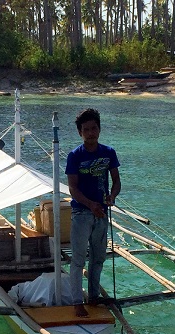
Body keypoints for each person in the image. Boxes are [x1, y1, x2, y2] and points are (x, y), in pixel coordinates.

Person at [65, 108, 121, 317]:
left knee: (98, 258)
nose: (91, 133)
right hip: (81, 213)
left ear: (99, 129)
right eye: (86, 129)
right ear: (80, 132)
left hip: (101, 213)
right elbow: (73, 188)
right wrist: (90, 204)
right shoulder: (75, 156)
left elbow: (116, 180)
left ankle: (94, 296)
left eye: (94, 128)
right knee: (78, 259)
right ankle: (77, 302)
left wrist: (112, 197)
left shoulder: (109, 153)